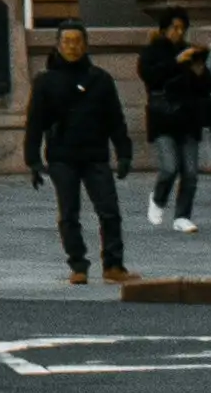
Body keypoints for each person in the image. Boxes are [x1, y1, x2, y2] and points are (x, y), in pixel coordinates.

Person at [25, 25, 132, 285]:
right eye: (67, 41)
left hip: (95, 154)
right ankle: (78, 264)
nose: (72, 46)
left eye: (77, 41)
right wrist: (33, 161)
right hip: (62, 156)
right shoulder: (45, 81)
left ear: (85, 44)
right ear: (58, 45)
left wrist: (124, 152)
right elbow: (35, 122)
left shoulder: (100, 79)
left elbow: (115, 120)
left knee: (109, 211)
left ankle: (113, 264)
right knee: (69, 213)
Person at [140, 20, 211, 237]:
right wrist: (176, 62)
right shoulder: (152, 53)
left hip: (189, 118)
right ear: (164, 30)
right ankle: (158, 198)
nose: (178, 32)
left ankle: (182, 216)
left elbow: (207, 86)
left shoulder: (190, 52)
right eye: (174, 27)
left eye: (182, 28)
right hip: (163, 118)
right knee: (169, 167)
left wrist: (200, 71)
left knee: (191, 172)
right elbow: (151, 78)